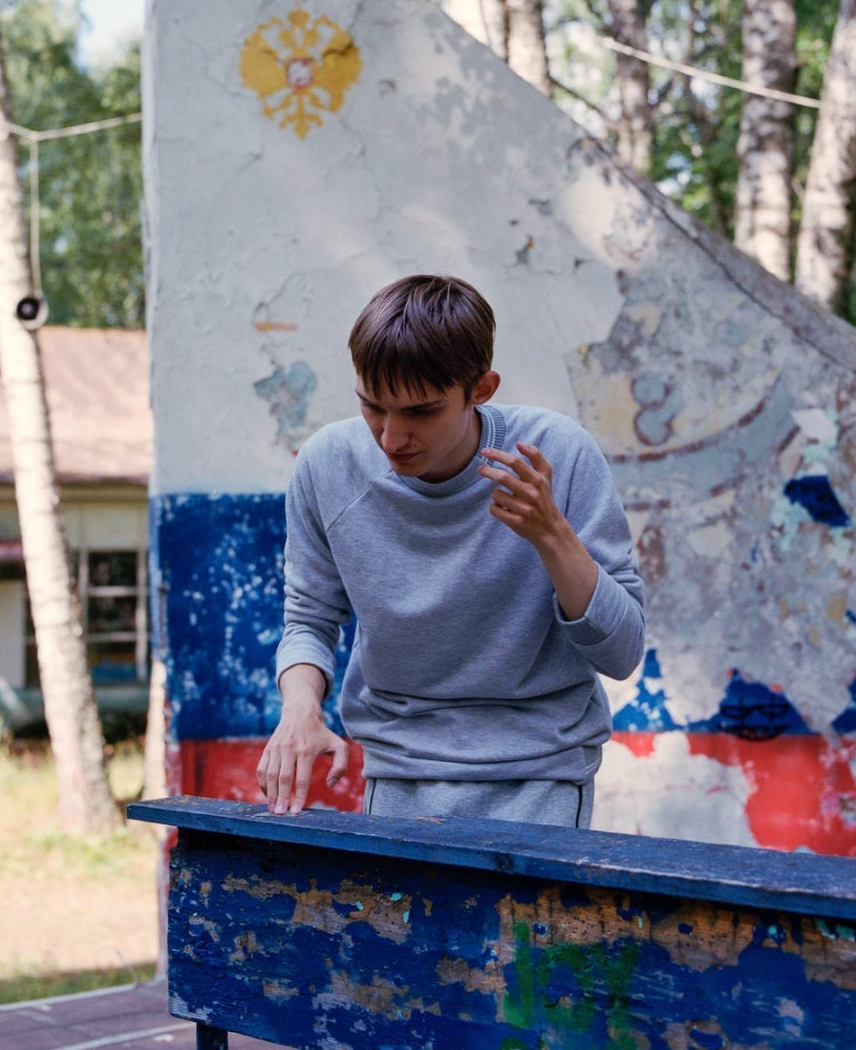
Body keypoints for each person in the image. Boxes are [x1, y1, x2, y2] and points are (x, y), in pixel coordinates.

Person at [256, 273, 645, 828]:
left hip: (542, 777)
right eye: (372, 406)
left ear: (481, 389)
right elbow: (309, 620)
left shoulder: (557, 455)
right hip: (397, 774)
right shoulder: (328, 465)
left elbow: (623, 652)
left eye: (421, 412)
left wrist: (552, 534)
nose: (391, 438)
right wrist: (300, 709)